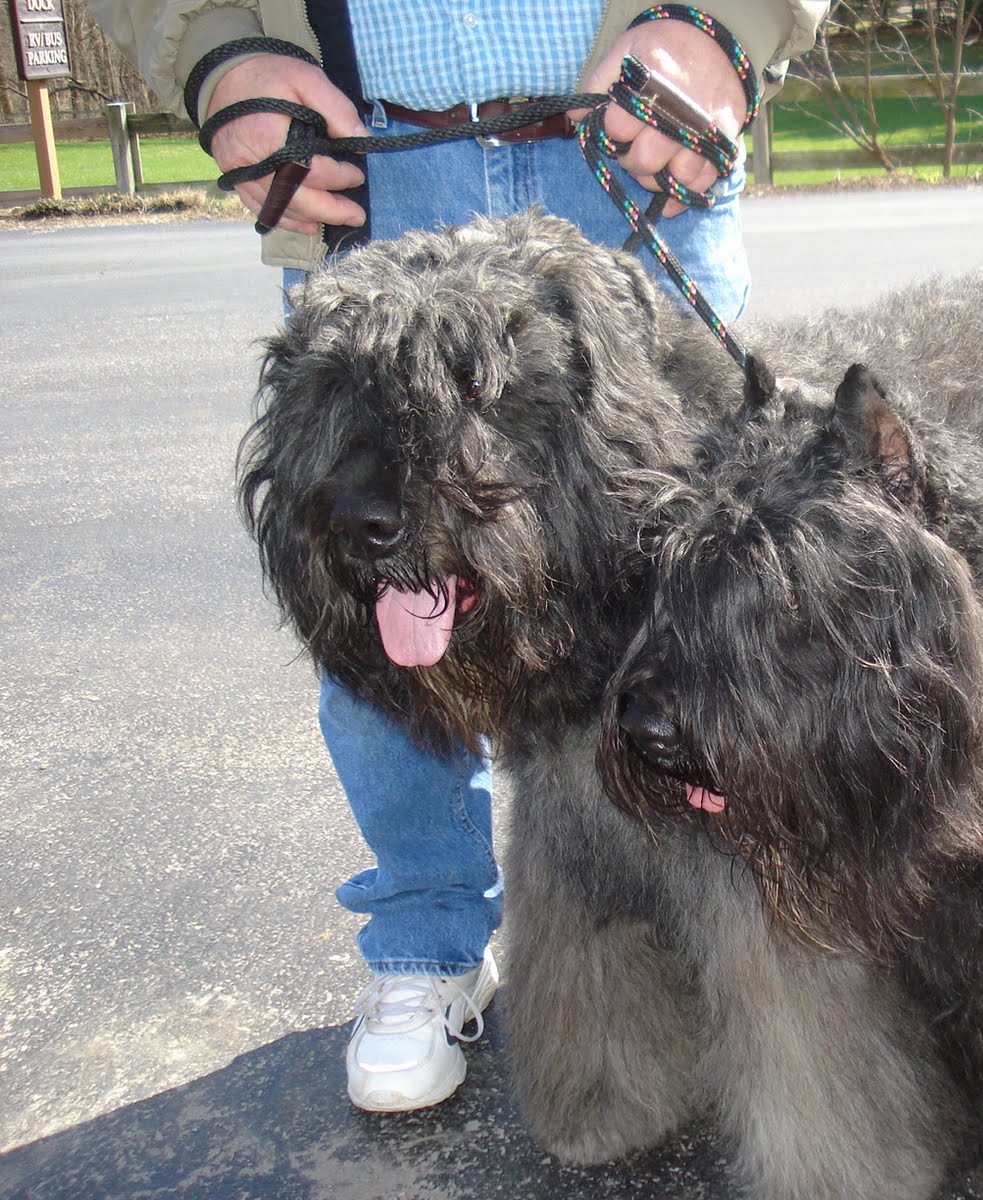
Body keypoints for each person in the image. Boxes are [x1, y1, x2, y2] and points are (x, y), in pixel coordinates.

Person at [89, 0, 826, 1114]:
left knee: (704, 627)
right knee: (373, 593)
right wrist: (217, 50)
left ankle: (765, 953)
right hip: (363, 155)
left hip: (635, 124)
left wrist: (734, 16)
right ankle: (427, 937)